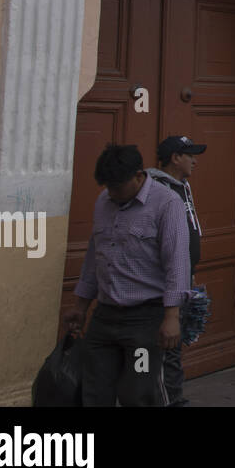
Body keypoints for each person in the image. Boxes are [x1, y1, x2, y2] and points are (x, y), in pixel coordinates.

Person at [64, 144, 190, 406]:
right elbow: (94, 255)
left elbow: (177, 263)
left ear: (138, 175)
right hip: (105, 317)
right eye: (108, 187)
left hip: (146, 322)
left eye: (118, 187)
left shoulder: (167, 204)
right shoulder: (104, 201)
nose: (112, 193)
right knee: (95, 390)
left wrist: (172, 317)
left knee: (139, 391)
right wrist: (81, 305)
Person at [145, 134, 206, 407]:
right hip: (163, 282)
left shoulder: (183, 186)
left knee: (175, 343)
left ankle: (173, 395)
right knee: (165, 346)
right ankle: (168, 398)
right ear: (174, 158)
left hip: (183, 278)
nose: (194, 160)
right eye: (189, 154)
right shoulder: (156, 188)